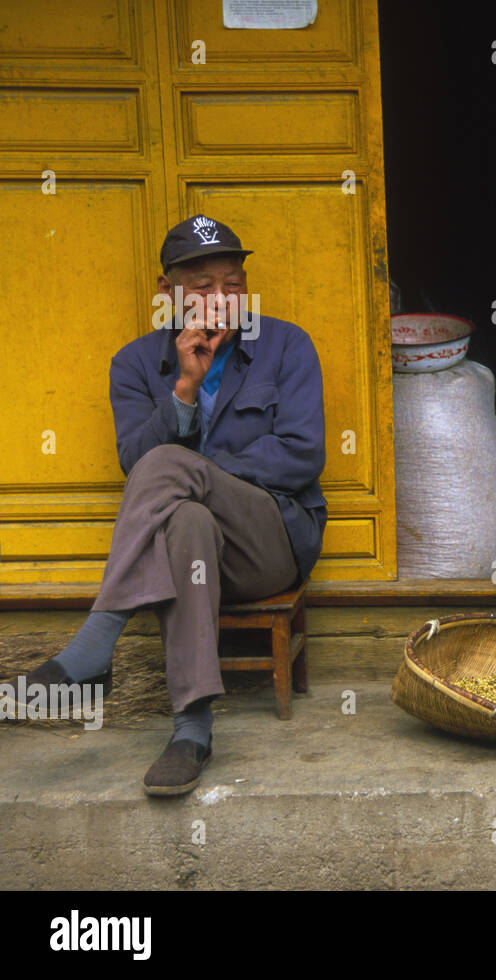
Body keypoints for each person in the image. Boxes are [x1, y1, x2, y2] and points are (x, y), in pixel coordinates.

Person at [4, 215, 327, 796]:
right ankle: (192, 731)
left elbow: (302, 455)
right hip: (195, 547)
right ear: (167, 293)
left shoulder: (286, 344)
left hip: (269, 539)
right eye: (202, 287)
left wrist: (199, 469)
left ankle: (92, 649)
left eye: (233, 283)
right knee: (185, 518)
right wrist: (183, 390)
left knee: (171, 472)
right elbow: (134, 461)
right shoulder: (134, 364)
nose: (222, 299)